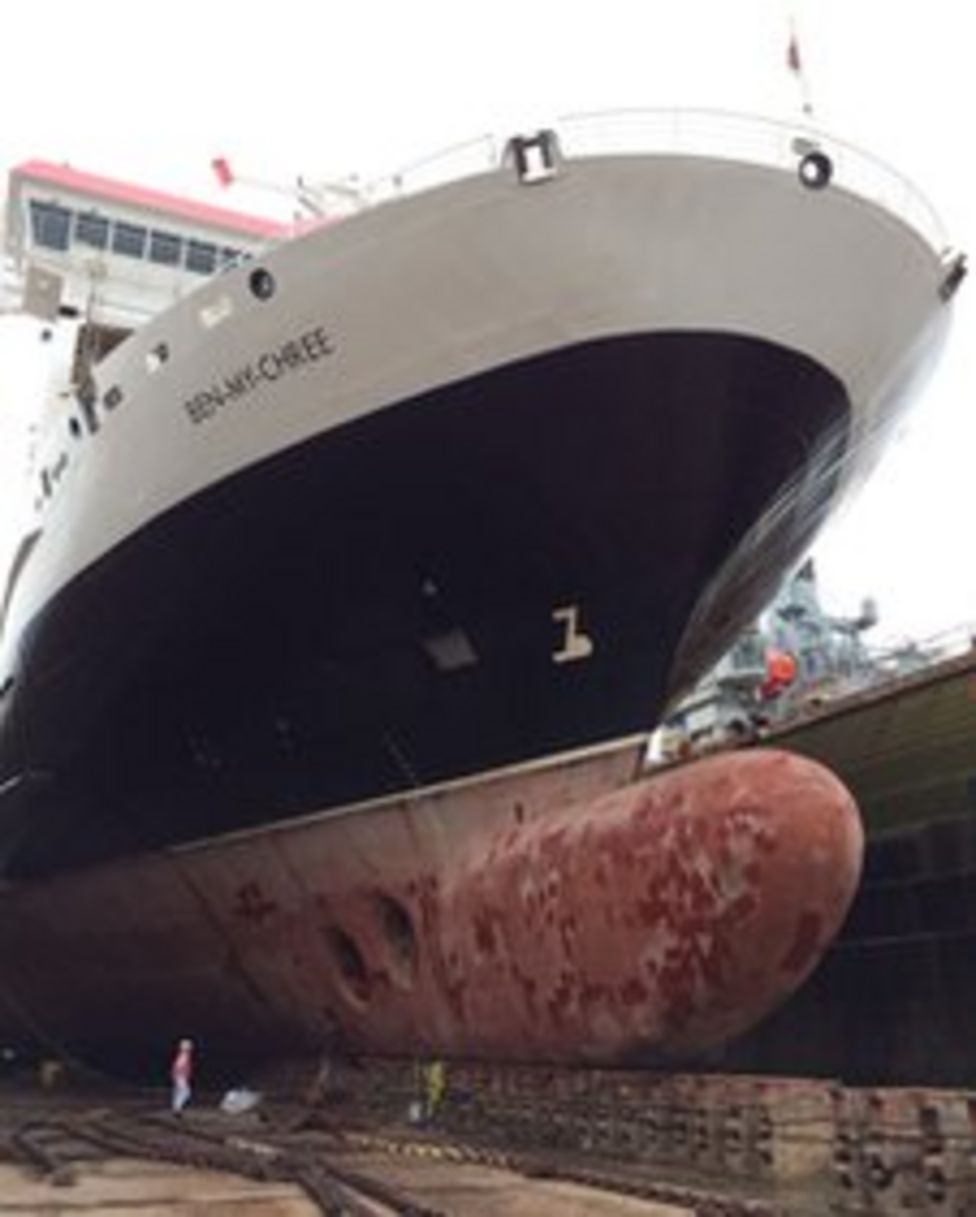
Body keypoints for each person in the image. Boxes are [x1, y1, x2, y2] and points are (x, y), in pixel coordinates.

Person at [170, 1038, 194, 1115]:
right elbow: (178, 1066)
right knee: (186, 1092)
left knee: (179, 1092)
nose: (191, 1048)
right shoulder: (184, 1055)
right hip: (180, 1077)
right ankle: (177, 1109)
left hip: (180, 1076)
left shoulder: (183, 1055)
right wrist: (180, 1076)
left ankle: (176, 1108)